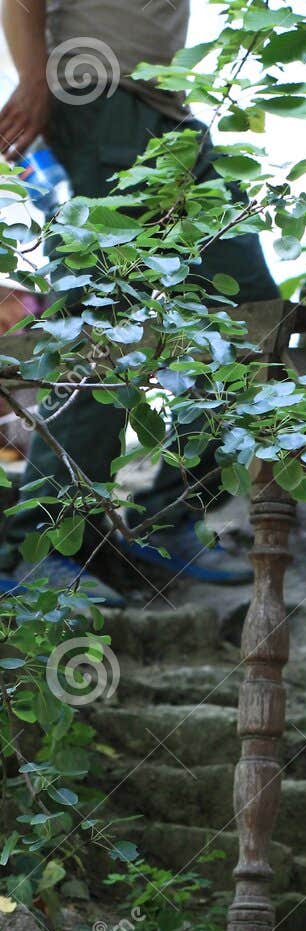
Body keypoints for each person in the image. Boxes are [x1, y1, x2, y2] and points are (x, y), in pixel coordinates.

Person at [0, 0, 280, 604]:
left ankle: (165, 517)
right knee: (104, 317)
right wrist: (32, 82)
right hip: (96, 97)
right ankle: (44, 545)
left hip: (169, 112)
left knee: (251, 316)